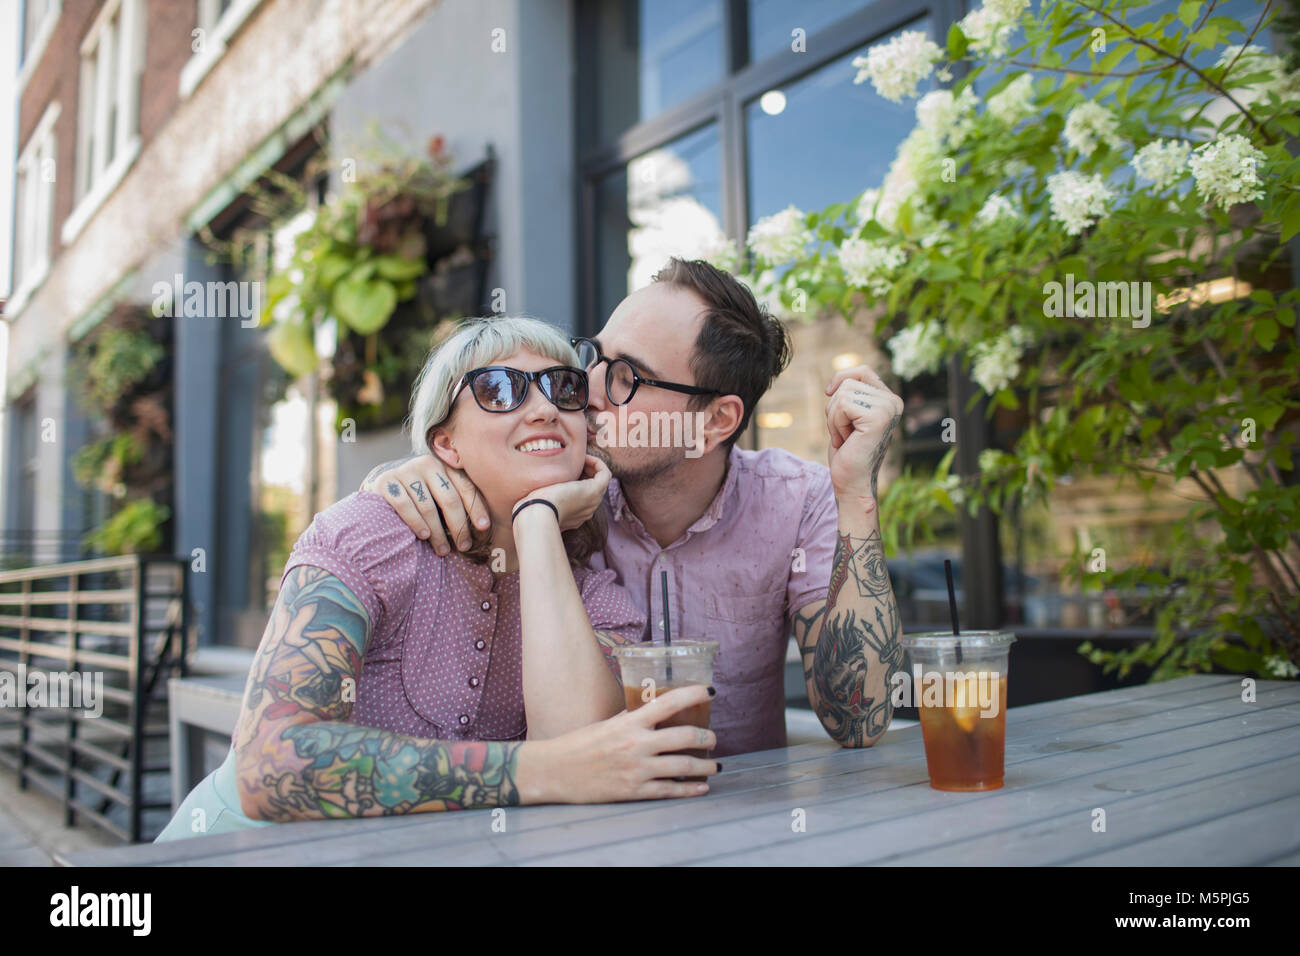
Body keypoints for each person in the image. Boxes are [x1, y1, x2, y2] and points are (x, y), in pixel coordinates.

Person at [155, 317, 720, 842]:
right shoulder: (369, 536)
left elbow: (583, 762)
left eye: (564, 388)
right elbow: (269, 765)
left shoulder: (596, 598)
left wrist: (538, 521)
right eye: (500, 390)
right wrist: (542, 771)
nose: (546, 409)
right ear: (445, 443)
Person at [363, 258, 907, 758]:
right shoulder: (552, 484)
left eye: (626, 376)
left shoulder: (796, 500)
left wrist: (857, 493)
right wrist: (409, 474)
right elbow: (458, 454)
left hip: (744, 823)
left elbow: (857, 717)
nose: (585, 389)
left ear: (715, 421)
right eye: (592, 356)